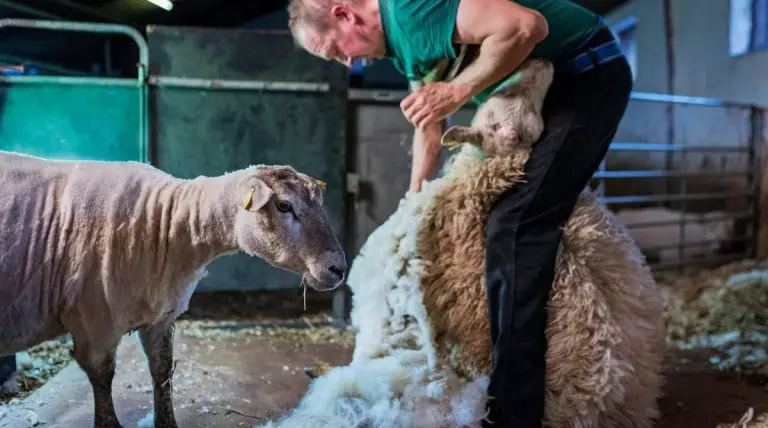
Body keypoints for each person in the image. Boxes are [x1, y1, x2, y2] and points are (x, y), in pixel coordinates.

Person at [286, 0, 633, 426]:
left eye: (337, 50)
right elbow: (428, 124)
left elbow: (527, 26)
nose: (346, 62)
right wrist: (413, 205)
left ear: (344, 14)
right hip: (541, 90)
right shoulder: (402, 45)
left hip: (584, 74)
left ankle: (514, 413)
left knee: (516, 225)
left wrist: (457, 92)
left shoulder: (409, 11)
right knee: (487, 215)